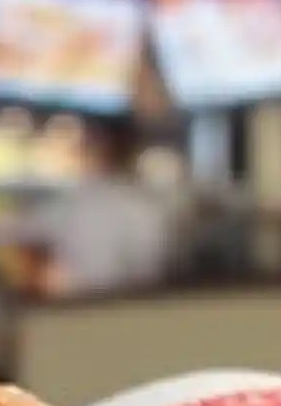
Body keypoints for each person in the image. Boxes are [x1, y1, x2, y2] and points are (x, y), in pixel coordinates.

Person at [27, 120, 173, 298]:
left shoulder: (77, 202)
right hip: (132, 308)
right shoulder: (146, 207)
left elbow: (29, 232)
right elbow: (151, 269)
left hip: (77, 306)